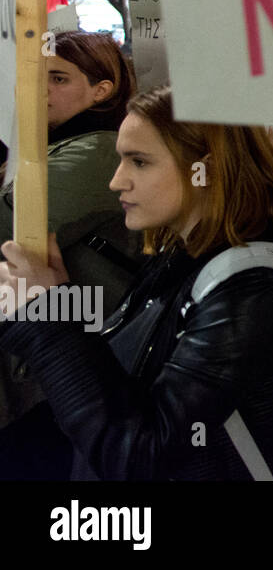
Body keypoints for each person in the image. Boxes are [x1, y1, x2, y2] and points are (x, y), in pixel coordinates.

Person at [0, 86, 273, 478]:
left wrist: (46, 319)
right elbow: (120, 369)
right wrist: (53, 303)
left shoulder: (252, 290)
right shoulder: (184, 255)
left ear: (205, 168)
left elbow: (143, 453)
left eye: (139, 162)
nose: (116, 181)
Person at [0, 30, 142, 434]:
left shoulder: (99, 151)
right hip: (50, 348)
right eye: (34, 76)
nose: (40, 90)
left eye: (58, 78)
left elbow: (9, 225)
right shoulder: (42, 146)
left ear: (101, 90)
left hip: (80, 353)